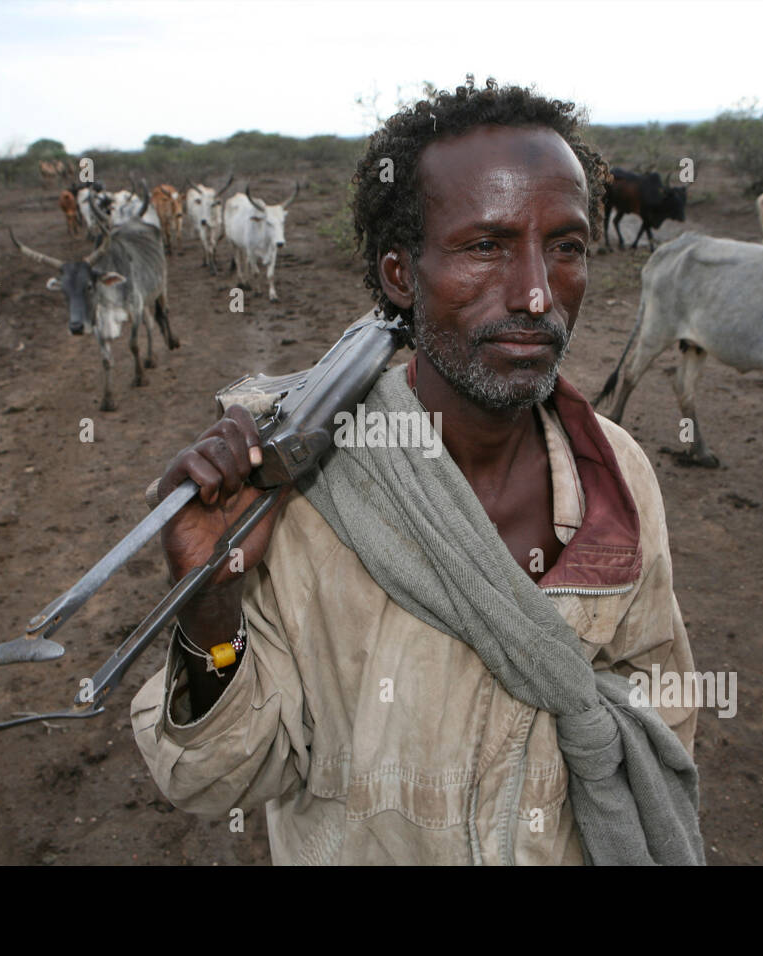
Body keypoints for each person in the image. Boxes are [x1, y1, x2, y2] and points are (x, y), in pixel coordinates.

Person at [131, 79, 704, 865]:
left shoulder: (617, 471)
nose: (538, 293)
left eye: (566, 248)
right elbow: (216, 781)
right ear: (401, 274)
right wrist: (210, 607)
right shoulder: (299, 491)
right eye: (486, 246)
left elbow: (661, 701)